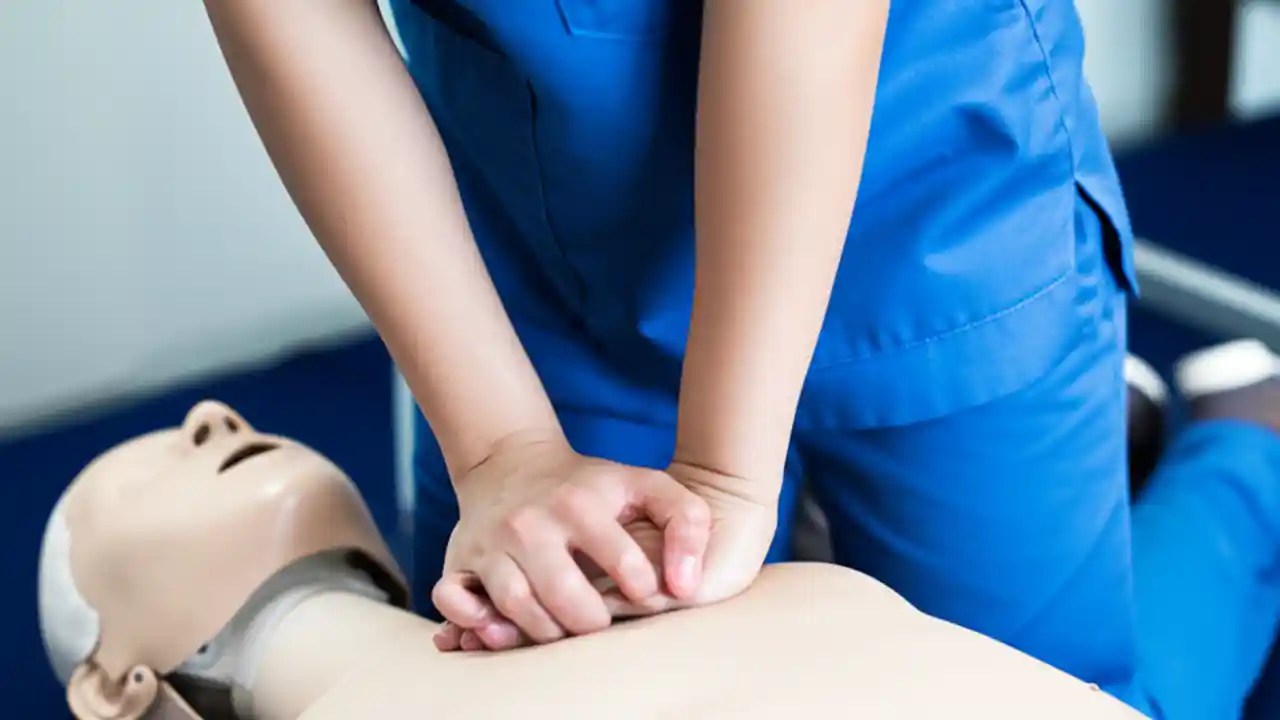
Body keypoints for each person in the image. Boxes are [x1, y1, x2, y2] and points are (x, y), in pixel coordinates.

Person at [197, 0, 1280, 714]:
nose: (212, 426)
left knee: (1045, 699)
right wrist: (501, 451)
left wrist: (724, 472)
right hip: (553, 244)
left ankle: (1248, 452)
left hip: (926, 202)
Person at [37, 400, 1146, 719]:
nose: (210, 412)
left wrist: (725, 474)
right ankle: (1243, 439)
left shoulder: (596, 561)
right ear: (110, 688)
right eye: (136, 478)